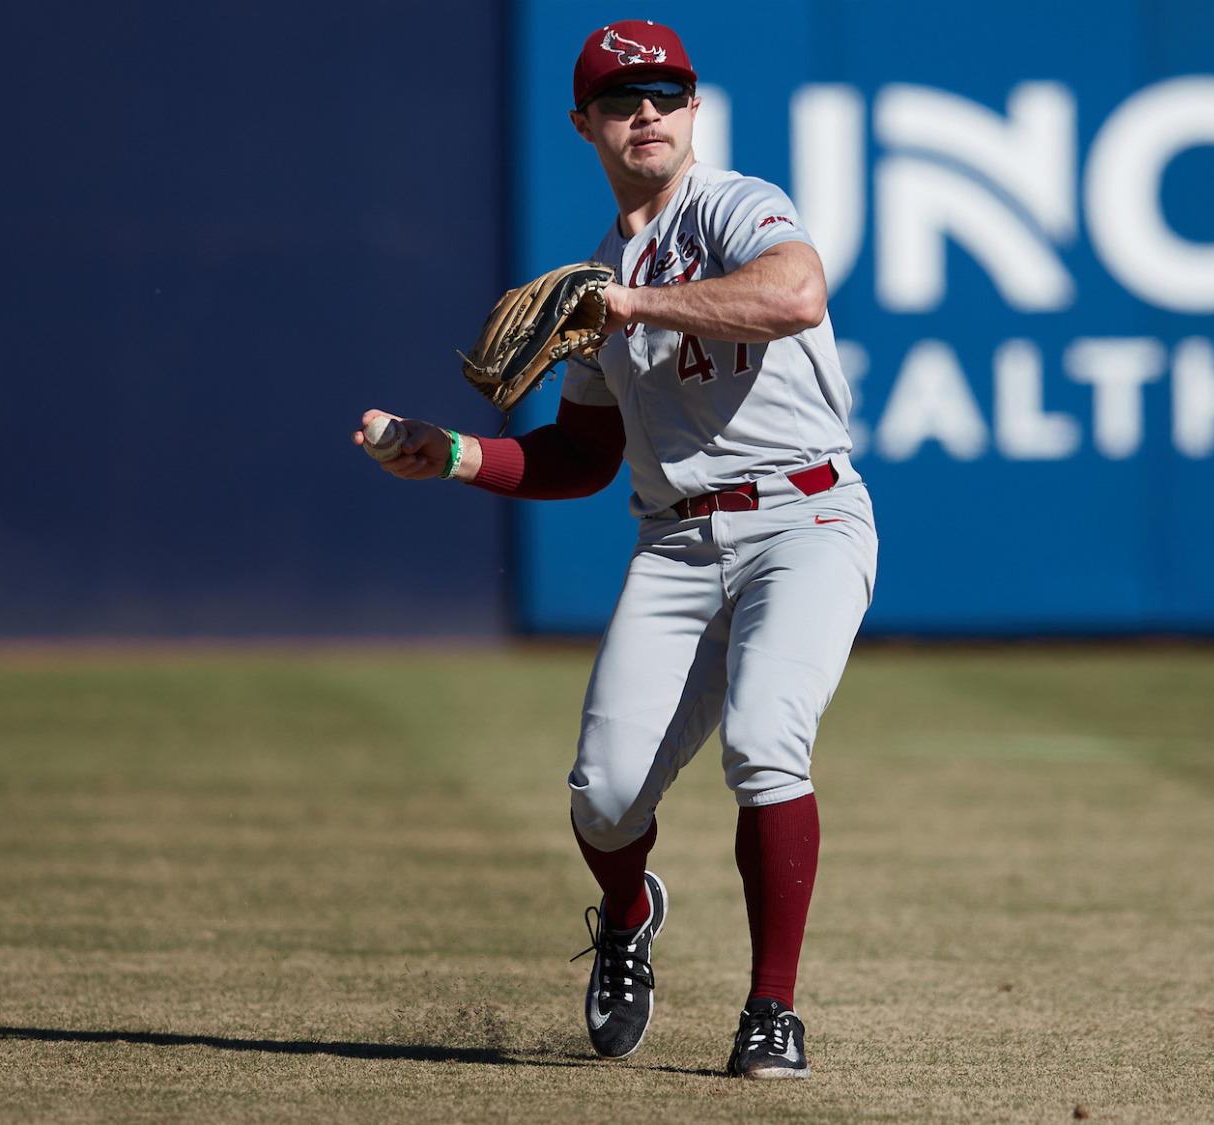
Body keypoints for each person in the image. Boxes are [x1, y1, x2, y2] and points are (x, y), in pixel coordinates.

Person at [353, 18, 876, 1080]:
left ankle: (770, 1010)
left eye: (666, 93)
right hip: (676, 543)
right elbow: (584, 457)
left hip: (805, 519)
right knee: (600, 797)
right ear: (583, 122)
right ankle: (629, 913)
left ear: (693, 111)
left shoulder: (733, 205)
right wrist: (450, 454)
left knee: (764, 743)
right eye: (621, 98)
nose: (647, 111)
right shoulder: (598, 273)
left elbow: (795, 293)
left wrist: (625, 307)